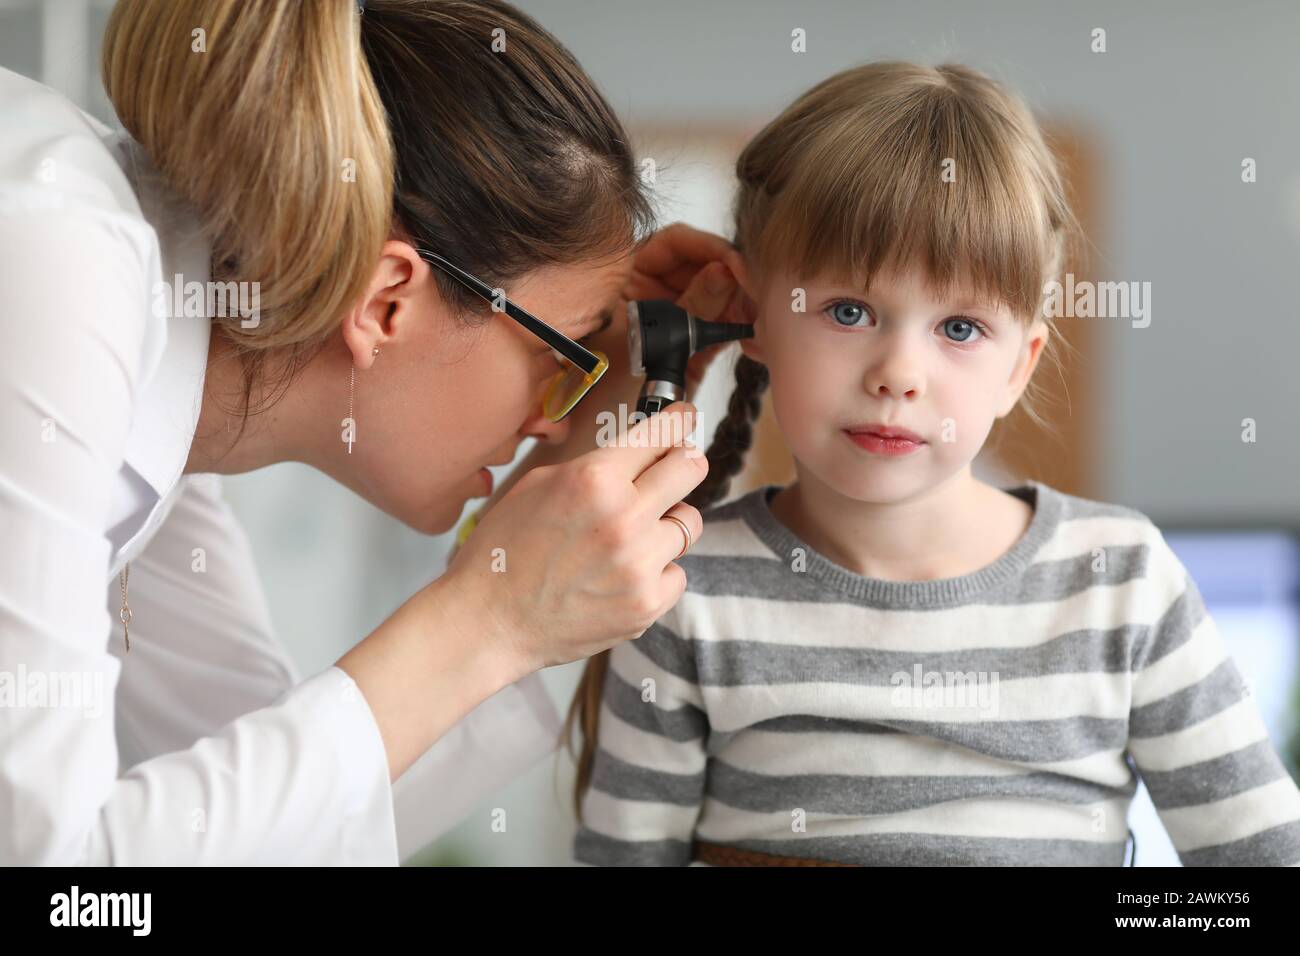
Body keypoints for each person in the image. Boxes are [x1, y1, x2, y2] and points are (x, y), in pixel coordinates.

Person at [0, 0, 749, 864]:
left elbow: (277, 821)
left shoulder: (162, 397)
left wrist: (541, 546)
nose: (556, 414)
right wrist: (490, 620)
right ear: (387, 298)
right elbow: (61, 875)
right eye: (567, 352)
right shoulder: (59, 269)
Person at [570, 61, 1300, 866]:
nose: (898, 373)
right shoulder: (686, 586)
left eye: (958, 328)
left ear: (1019, 366)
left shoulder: (1120, 580)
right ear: (753, 316)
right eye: (849, 311)